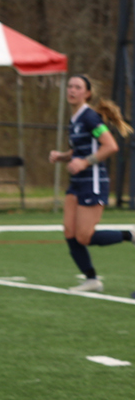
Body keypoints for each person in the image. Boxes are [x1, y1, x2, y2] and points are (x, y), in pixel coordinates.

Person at [49, 74, 134, 293]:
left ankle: (130, 235)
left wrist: (84, 162)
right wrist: (62, 156)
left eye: (77, 87)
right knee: (69, 232)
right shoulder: (75, 119)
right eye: (69, 86)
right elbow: (79, 152)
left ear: (87, 93)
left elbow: (110, 146)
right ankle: (91, 279)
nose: (72, 90)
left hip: (93, 182)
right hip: (77, 183)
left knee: (84, 236)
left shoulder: (90, 118)